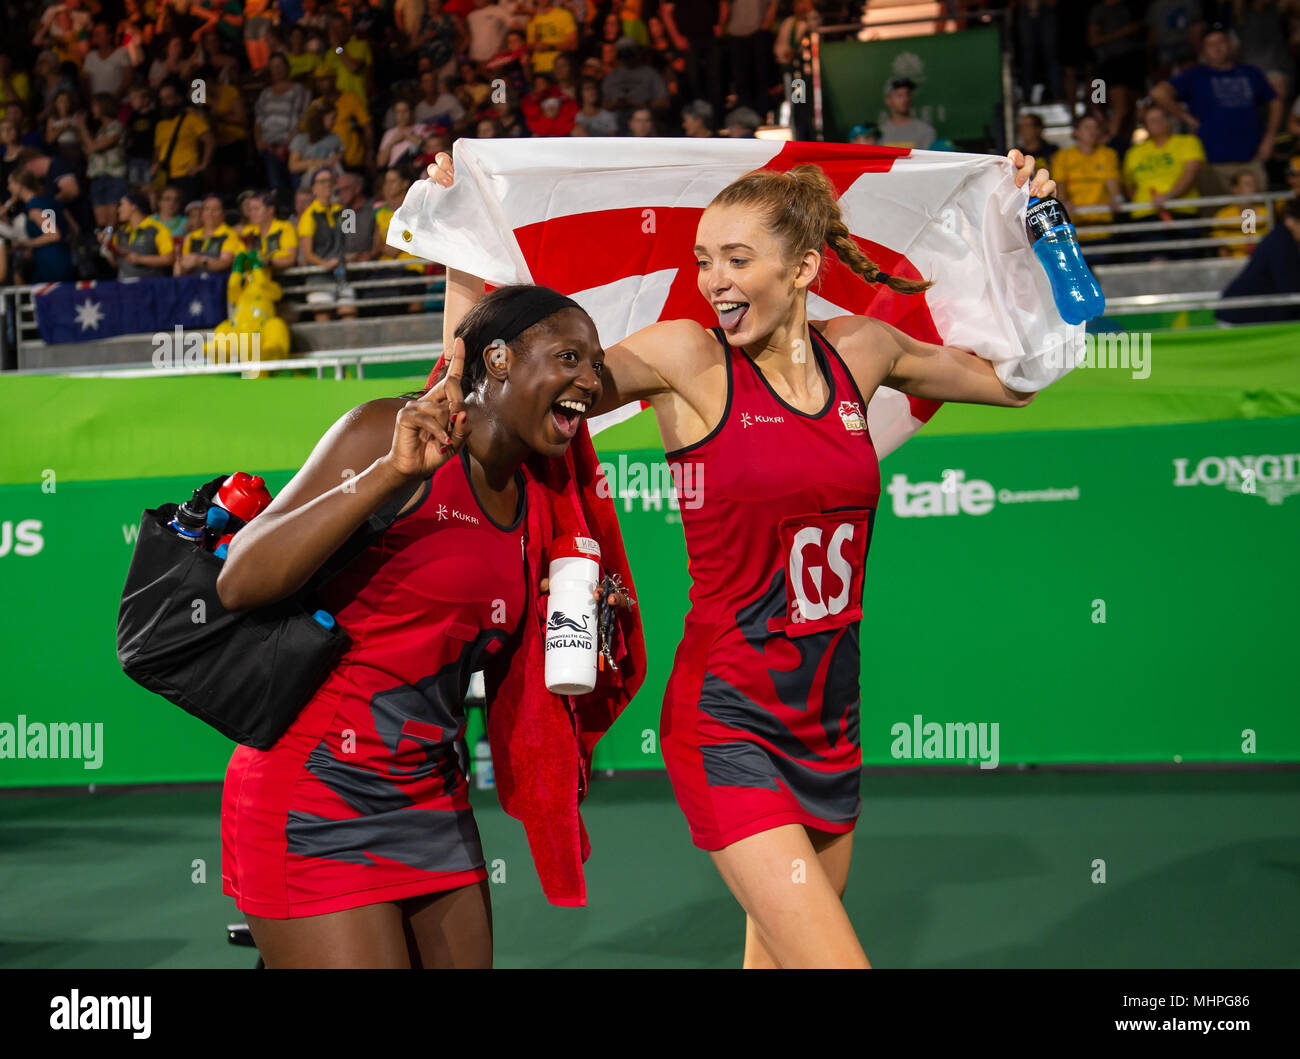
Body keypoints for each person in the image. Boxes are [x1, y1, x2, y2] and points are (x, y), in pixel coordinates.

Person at [425, 145, 1056, 968]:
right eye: (702, 260)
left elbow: (1019, 379)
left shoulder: (863, 349)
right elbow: (499, 400)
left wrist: (1029, 229)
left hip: (830, 720)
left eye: (737, 259)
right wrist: (462, 256)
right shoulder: (687, 356)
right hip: (728, 722)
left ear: (803, 268)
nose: (714, 280)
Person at [216, 284, 634, 967]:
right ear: (497, 360)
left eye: (595, 363)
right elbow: (241, 578)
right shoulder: (387, 431)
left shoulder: (540, 502)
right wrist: (387, 474)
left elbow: (518, 679)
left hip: (431, 801)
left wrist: (586, 628)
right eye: (569, 356)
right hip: (314, 797)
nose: (591, 380)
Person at [1150, 21, 1281, 195]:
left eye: (1221, 42)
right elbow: (1158, 93)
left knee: (1253, 217)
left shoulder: (1250, 73)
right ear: (1203, 51)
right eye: (1211, 45)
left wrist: (1270, 137)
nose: (1217, 48)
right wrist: (1185, 116)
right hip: (1211, 163)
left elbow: (1275, 101)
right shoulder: (1196, 75)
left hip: (1250, 160)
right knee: (1216, 217)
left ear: (1230, 44)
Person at [1122, 103, 1204, 242]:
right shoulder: (1133, 153)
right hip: (1145, 214)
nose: (1158, 123)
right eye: (1152, 120)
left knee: (1185, 259)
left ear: (1169, 121)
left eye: (1162, 118)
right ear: (1145, 126)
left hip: (1182, 210)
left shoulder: (1188, 142)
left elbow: (1191, 173)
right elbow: (1129, 185)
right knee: (1154, 259)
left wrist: (1169, 196)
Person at [1216, 197, 1300, 323]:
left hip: (1250, 316)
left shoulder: (1284, 240)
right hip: (1238, 318)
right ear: (1290, 221)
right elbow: (1290, 291)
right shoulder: (1280, 244)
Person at [1052, 112, 1123, 243]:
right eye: (1087, 127)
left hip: (1102, 225)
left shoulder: (1108, 154)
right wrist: (1064, 203)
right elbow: (1060, 186)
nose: (1093, 132)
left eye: (1095, 128)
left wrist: (1116, 198)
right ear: (1076, 132)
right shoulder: (1063, 157)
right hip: (1075, 227)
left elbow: (1113, 186)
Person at [1086, 0, 1146, 141]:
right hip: (1107, 66)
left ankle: (1115, 140)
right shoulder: (1099, 10)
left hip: (1131, 64)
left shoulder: (1128, 7)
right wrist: (1123, 32)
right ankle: (1110, 141)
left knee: (1127, 109)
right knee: (1104, 107)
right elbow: (1093, 40)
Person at [4, 168, 77, 283]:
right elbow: (74, 229)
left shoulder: (35, 206)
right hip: (62, 256)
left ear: (20, 184)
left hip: (50, 262)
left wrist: (25, 244)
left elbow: (53, 235)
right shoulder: (49, 200)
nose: (8, 188)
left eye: (10, 183)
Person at [255, 54, 309, 203]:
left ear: (287, 68)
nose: (277, 70)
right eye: (273, 66)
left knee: (297, 184)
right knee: (276, 187)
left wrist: (294, 138)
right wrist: (259, 140)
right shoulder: (265, 94)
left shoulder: (298, 90)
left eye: (280, 65)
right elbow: (259, 120)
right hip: (270, 146)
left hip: (293, 145)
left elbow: (303, 117)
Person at [151, 76, 214, 203]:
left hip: (186, 175)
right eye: (162, 99)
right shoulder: (160, 124)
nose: (164, 103)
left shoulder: (191, 118)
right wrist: (155, 165)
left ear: (179, 98)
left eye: (168, 98)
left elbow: (210, 140)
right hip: (166, 177)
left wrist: (203, 165)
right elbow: (158, 150)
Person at [76, 92, 129, 229]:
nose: (92, 109)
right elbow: (88, 150)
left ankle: (113, 247)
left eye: (94, 106)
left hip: (113, 177)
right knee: (101, 222)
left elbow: (93, 147)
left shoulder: (116, 126)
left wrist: (82, 126)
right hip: (97, 177)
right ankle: (104, 247)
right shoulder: (100, 130)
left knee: (113, 221)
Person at [111, 186, 175, 277]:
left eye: (122, 205)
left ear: (133, 206)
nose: (119, 209)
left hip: (149, 287)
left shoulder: (157, 229)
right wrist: (107, 248)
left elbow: (169, 259)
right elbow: (117, 264)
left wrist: (141, 259)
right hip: (124, 288)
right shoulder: (120, 233)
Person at [178, 192, 242, 273]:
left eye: (215, 209)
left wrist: (200, 261)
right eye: (207, 209)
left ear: (223, 214)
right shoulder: (191, 236)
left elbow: (225, 262)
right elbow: (184, 263)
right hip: (193, 281)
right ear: (202, 213)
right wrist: (180, 268)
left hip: (218, 282)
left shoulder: (230, 234)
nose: (210, 213)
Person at [1211, 168, 1268, 257]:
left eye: (1254, 184)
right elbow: (1222, 249)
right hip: (1234, 264)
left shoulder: (1266, 213)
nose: (1252, 188)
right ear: (1235, 189)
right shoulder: (1223, 216)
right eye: (1247, 184)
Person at [241, 190, 299, 270]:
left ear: (270, 210)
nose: (252, 213)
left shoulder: (285, 228)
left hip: (283, 279)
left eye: (256, 209)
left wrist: (269, 261)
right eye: (250, 210)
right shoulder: (248, 231)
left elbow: (290, 259)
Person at [876, 76, 935, 149]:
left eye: (908, 95)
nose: (905, 99)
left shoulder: (925, 131)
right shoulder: (878, 133)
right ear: (887, 100)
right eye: (899, 96)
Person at [527, 0, 578, 76]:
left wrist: (549, 47)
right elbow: (530, 45)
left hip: (559, 68)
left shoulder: (564, 15)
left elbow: (573, 45)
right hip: (539, 70)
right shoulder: (534, 19)